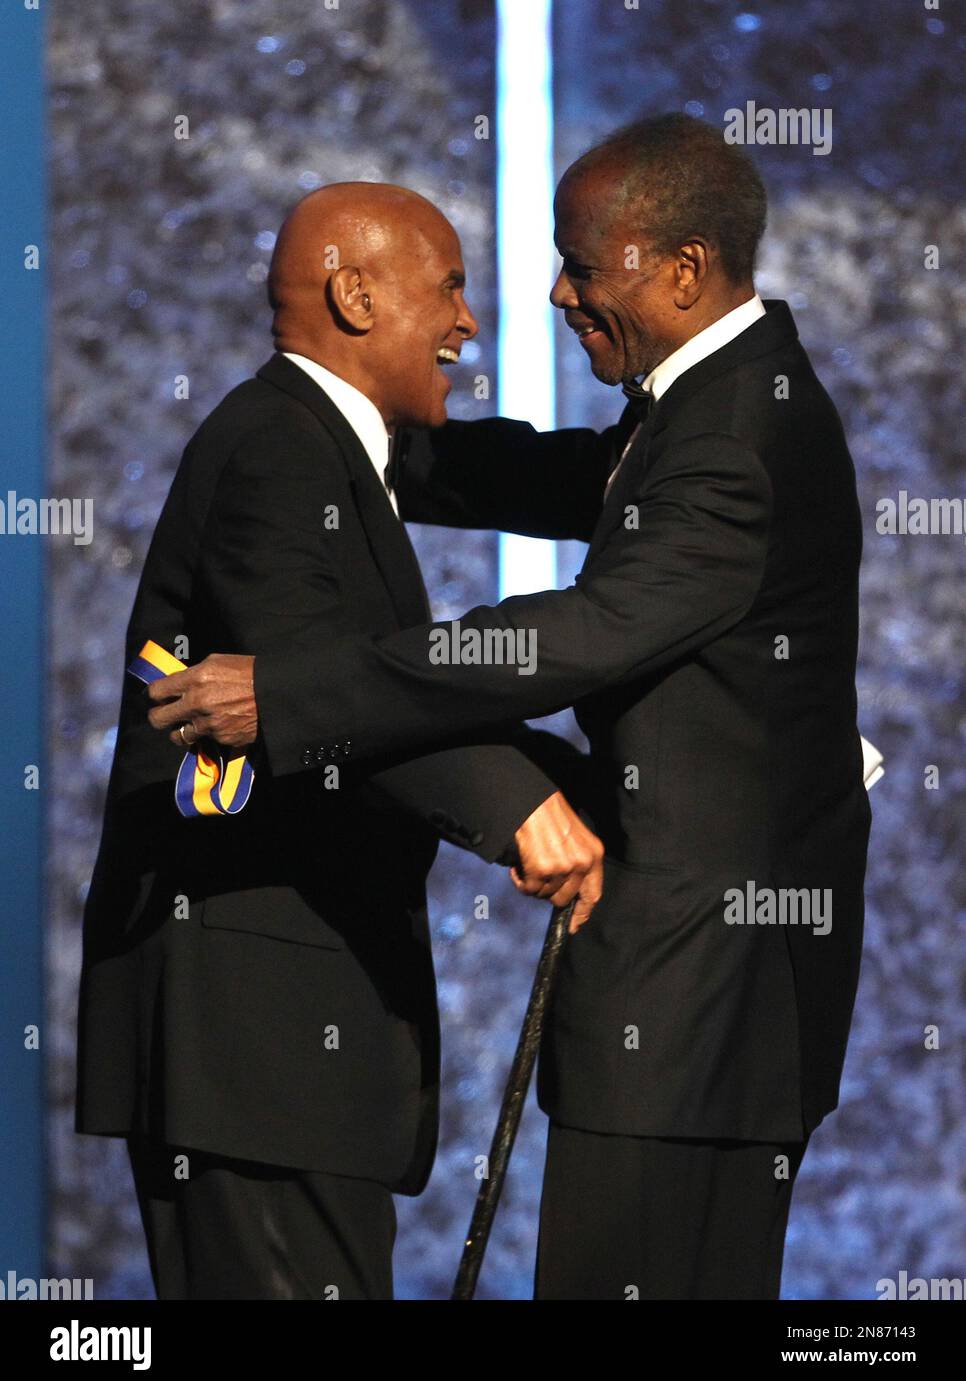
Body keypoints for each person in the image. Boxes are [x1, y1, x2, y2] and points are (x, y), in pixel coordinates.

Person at [147, 114, 872, 1300]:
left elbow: (579, 634)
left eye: (584, 266)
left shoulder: (737, 431)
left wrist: (295, 691)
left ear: (682, 270)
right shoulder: (716, 400)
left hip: (702, 1006)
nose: (551, 294)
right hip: (695, 1005)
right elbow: (553, 474)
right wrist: (366, 410)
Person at [75, 181, 604, 1301]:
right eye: (451, 287)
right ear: (355, 294)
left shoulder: (331, 446)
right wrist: (520, 804)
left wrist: (600, 793)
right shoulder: (276, 449)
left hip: (284, 1054)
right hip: (253, 1043)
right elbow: (328, 692)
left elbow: (370, 690)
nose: (469, 322)